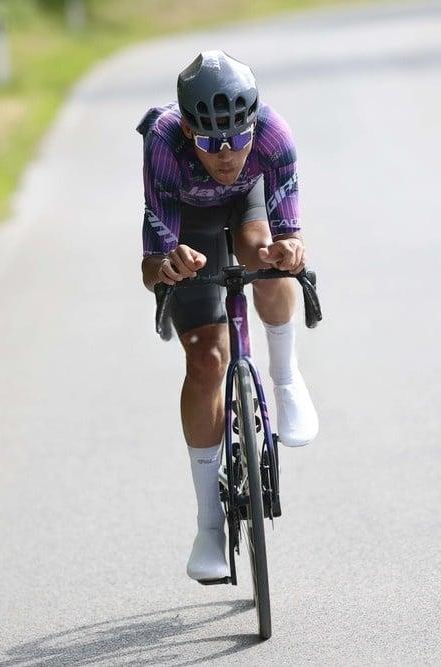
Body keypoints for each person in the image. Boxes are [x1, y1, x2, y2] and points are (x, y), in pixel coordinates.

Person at [137, 51, 318, 583]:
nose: (226, 154)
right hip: (187, 219)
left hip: (248, 207)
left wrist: (292, 253)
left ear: (253, 126)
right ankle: (209, 523)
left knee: (265, 253)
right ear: (188, 129)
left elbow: (291, 238)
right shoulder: (165, 143)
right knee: (207, 357)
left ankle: (285, 380)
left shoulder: (273, 137)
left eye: (237, 138)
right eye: (211, 141)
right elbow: (150, 265)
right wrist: (169, 264)